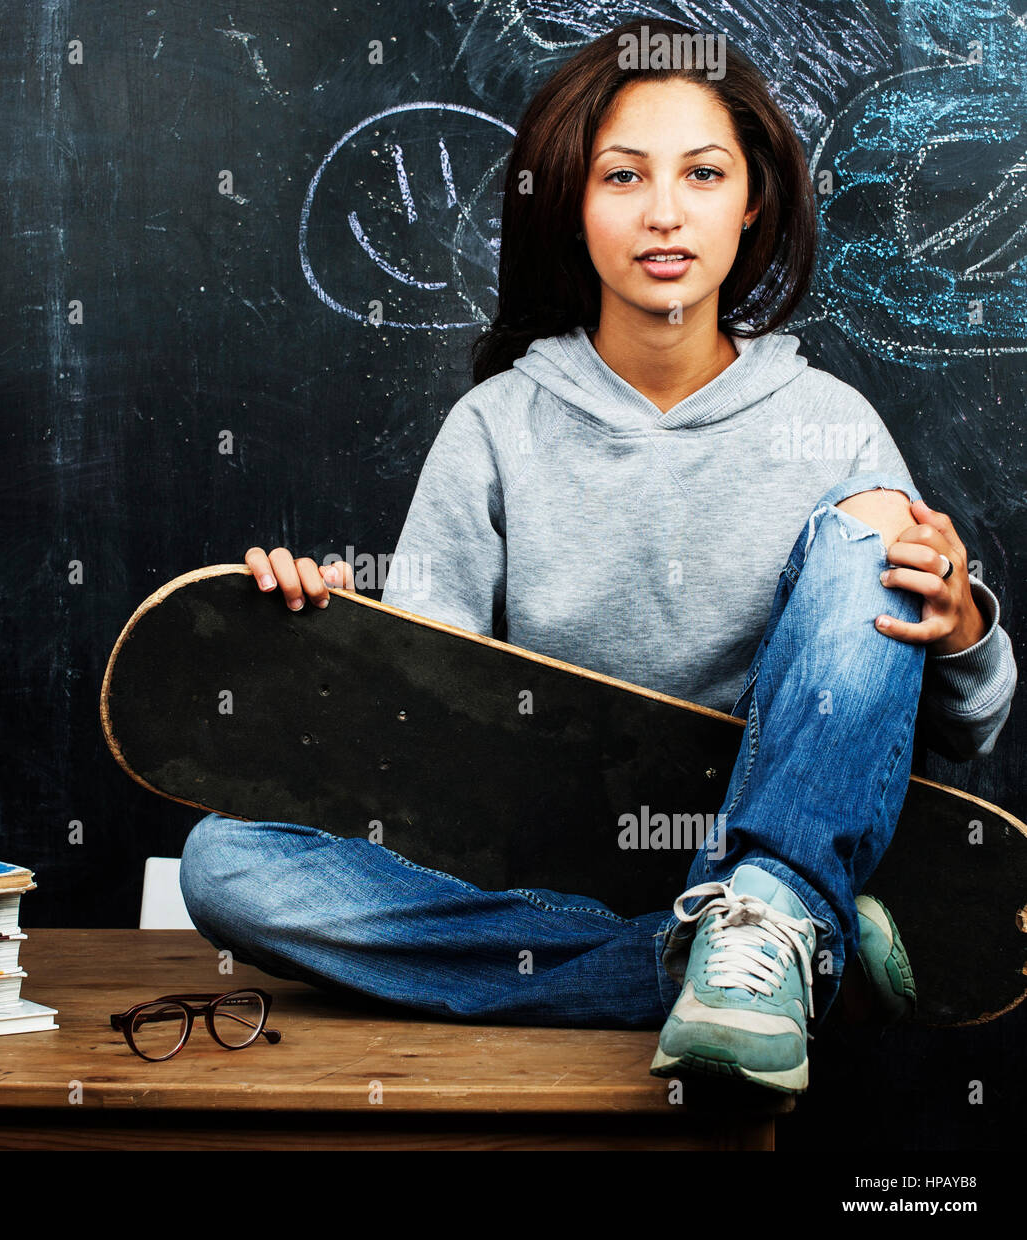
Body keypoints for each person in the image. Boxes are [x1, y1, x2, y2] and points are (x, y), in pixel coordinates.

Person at [178, 18, 1018, 1093]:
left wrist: (964, 629)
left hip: (762, 832)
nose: (664, 212)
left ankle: (767, 905)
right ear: (573, 203)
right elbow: (425, 720)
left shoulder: (832, 427)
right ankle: (769, 956)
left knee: (870, 524)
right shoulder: (496, 425)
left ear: (750, 199)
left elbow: (967, 725)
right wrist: (338, 652)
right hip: (527, 878)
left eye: (702, 174)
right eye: (623, 176)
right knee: (228, 866)